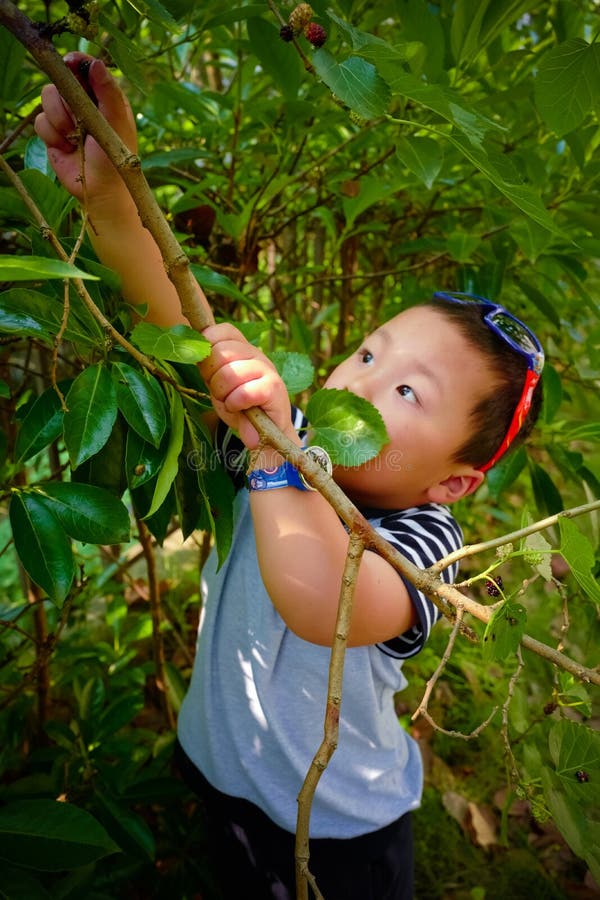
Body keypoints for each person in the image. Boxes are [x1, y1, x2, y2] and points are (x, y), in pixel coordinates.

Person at [35, 54, 544, 900]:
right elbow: (175, 326)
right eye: (370, 352)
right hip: (224, 767)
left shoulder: (425, 546)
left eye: (410, 391)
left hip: (341, 825)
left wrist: (272, 461)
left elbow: (324, 604)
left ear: (452, 483)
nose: (362, 383)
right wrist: (112, 194)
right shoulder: (293, 440)